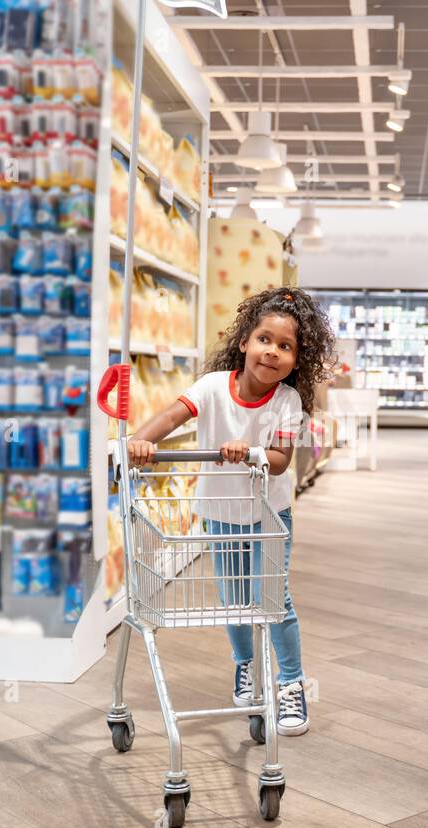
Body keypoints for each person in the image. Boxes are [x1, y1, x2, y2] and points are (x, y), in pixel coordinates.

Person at [127, 287, 337, 735]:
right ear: (243, 341)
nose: (272, 352)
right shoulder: (211, 387)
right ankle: (245, 665)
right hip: (220, 511)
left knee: (274, 601)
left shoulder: (287, 402)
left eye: (286, 347)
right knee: (233, 599)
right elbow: (169, 418)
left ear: (296, 361)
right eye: (265, 339)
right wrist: (140, 441)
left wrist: (251, 452)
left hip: (269, 516)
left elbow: (280, 460)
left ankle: (291, 683)